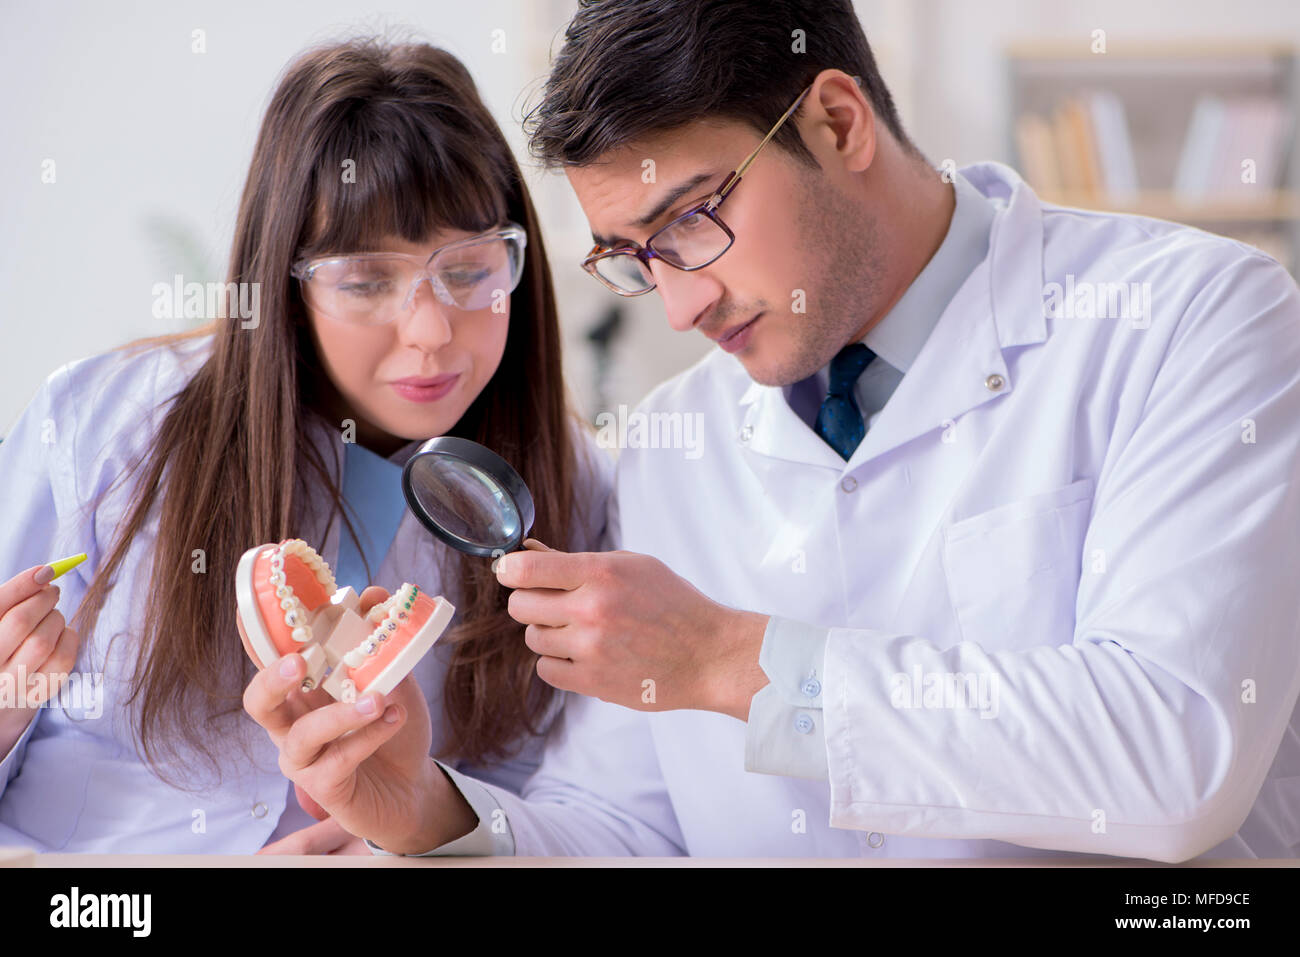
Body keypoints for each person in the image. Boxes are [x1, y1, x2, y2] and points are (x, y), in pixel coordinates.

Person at [245, 0, 1300, 862]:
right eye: (633, 257)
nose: (678, 308)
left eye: (691, 224)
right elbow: (633, 828)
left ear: (837, 122)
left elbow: (1177, 754)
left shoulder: (1195, 319)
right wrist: (436, 816)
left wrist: (729, 661)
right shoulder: (669, 443)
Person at [0, 36, 608, 854]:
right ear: (284, 279)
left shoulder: (570, 486)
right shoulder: (105, 424)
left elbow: (582, 816)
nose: (431, 333)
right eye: (366, 282)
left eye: (469, 272)